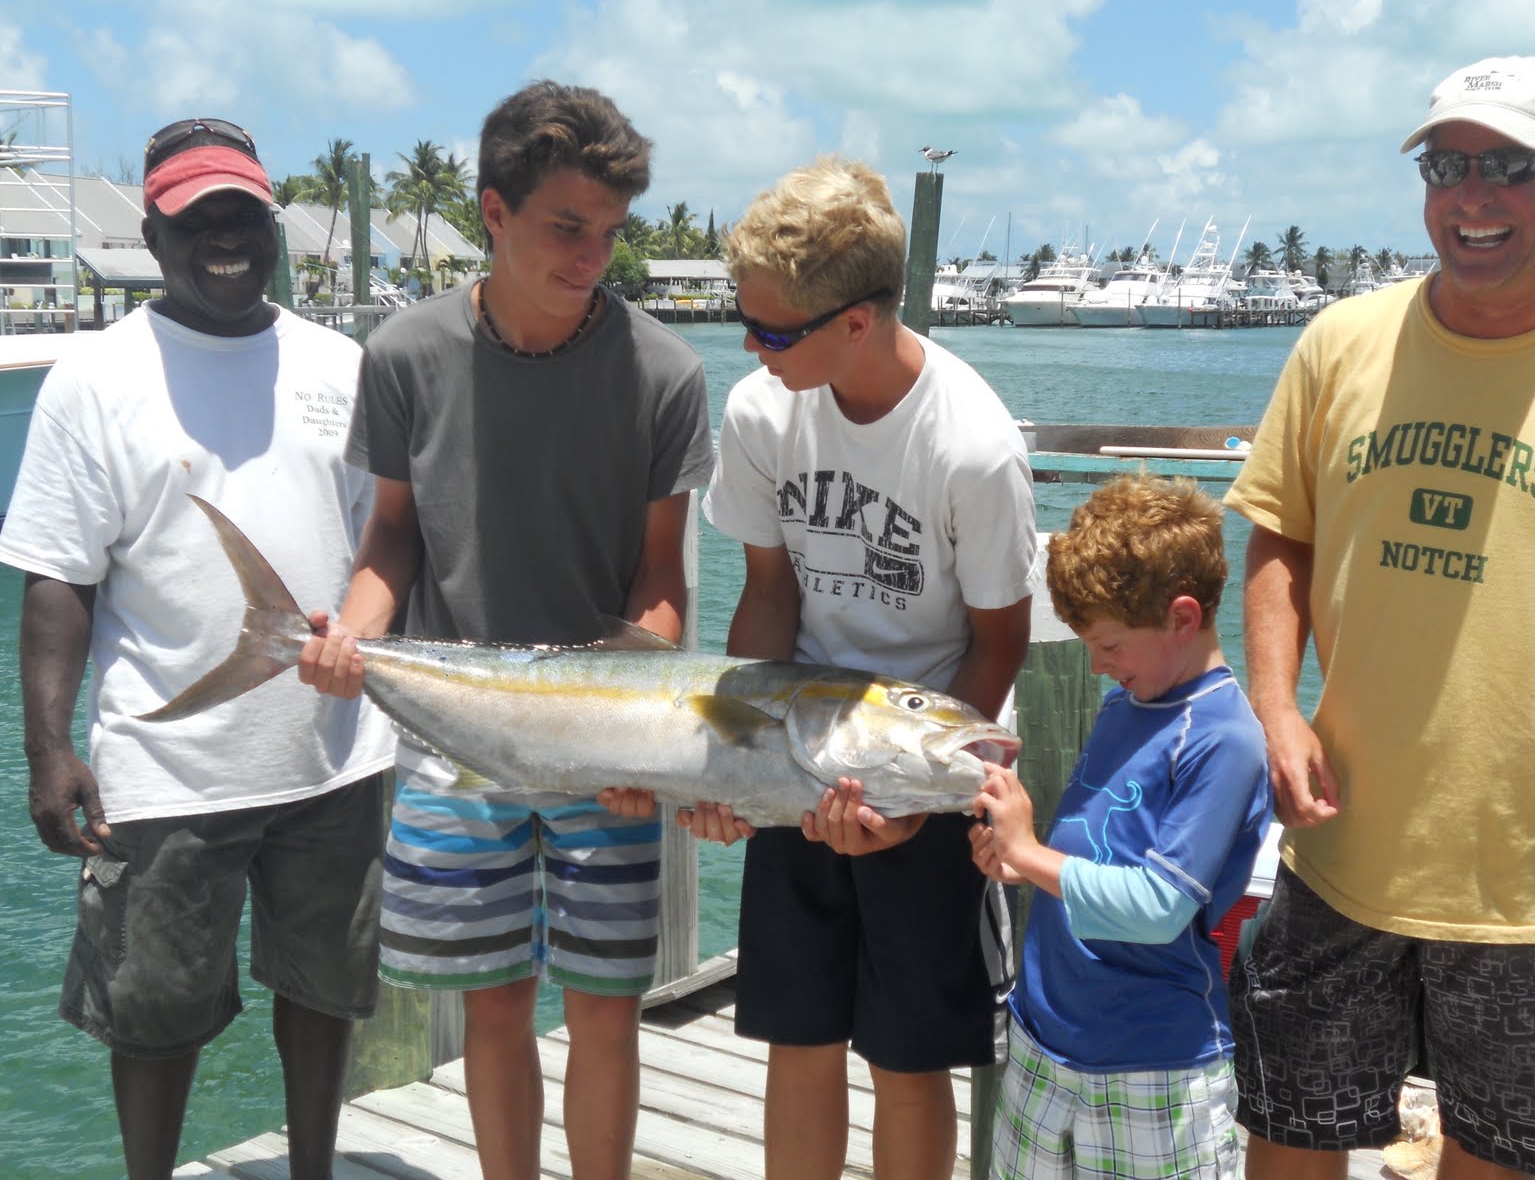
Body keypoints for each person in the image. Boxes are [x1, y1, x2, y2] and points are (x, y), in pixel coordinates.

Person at [297, 80, 714, 1180]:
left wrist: (641, 738)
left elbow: (660, 579)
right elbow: (392, 539)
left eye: (609, 233)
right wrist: (354, 634)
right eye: (564, 228)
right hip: (451, 742)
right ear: (491, 211)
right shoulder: (401, 355)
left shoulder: (666, 373)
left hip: (607, 745)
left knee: (608, 1011)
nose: (592, 258)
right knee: (493, 1006)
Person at [1224, 55, 1535, 1180]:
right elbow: (1278, 533)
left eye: (1507, 167)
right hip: (1338, 841)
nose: (1470, 196)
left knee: (1497, 1158)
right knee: (1289, 1131)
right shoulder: (1340, 342)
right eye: (1447, 165)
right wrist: (1272, 708)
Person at [0, 118, 395, 1180]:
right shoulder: (92, 375)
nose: (226, 236)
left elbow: (383, 550)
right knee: (154, 1014)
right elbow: (59, 578)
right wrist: (49, 749)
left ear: (271, 224)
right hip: (164, 767)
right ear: (151, 229)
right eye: (198, 217)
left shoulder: (342, 365)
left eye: (244, 215)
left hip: (336, 755)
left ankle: (314, 1167)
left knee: (325, 991)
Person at [691, 157, 1037, 1180]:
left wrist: (916, 804)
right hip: (797, 740)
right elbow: (767, 592)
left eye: (772, 331)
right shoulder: (762, 411)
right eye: (741, 322)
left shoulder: (970, 445)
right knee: (795, 1034)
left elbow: (999, 639)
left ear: (856, 321)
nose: (750, 349)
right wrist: (731, 769)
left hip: (926, 762)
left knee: (907, 1052)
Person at [968, 472, 1271, 1180]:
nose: (1097, 665)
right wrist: (1016, 861)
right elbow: (1091, 849)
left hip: (1152, 1068)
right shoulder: (1124, 706)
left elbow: (1160, 908)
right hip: (1047, 1040)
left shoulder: (1223, 737)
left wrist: (1028, 850)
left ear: (1183, 618)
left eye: (1109, 645)